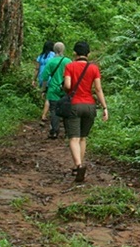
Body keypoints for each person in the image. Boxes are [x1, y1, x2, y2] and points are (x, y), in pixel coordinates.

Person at [63, 41, 108, 183]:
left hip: (74, 105)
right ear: (88, 54)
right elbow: (98, 89)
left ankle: (78, 165)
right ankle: (79, 165)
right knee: (83, 138)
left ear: (74, 53)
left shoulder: (70, 66)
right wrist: (105, 107)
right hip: (90, 106)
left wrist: (66, 89)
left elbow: (67, 85)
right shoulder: (94, 68)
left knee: (73, 138)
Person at [42, 42, 72, 139]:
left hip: (53, 89)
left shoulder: (50, 62)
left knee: (54, 110)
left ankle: (54, 131)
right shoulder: (68, 61)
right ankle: (68, 132)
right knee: (66, 109)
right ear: (63, 50)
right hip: (65, 89)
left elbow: (45, 77)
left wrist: (43, 89)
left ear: (54, 50)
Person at [35, 41, 56, 122]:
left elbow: (37, 69)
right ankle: (44, 115)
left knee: (46, 93)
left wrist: (34, 79)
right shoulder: (53, 55)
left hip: (42, 77)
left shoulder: (40, 56)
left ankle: (46, 110)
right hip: (50, 77)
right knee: (49, 97)